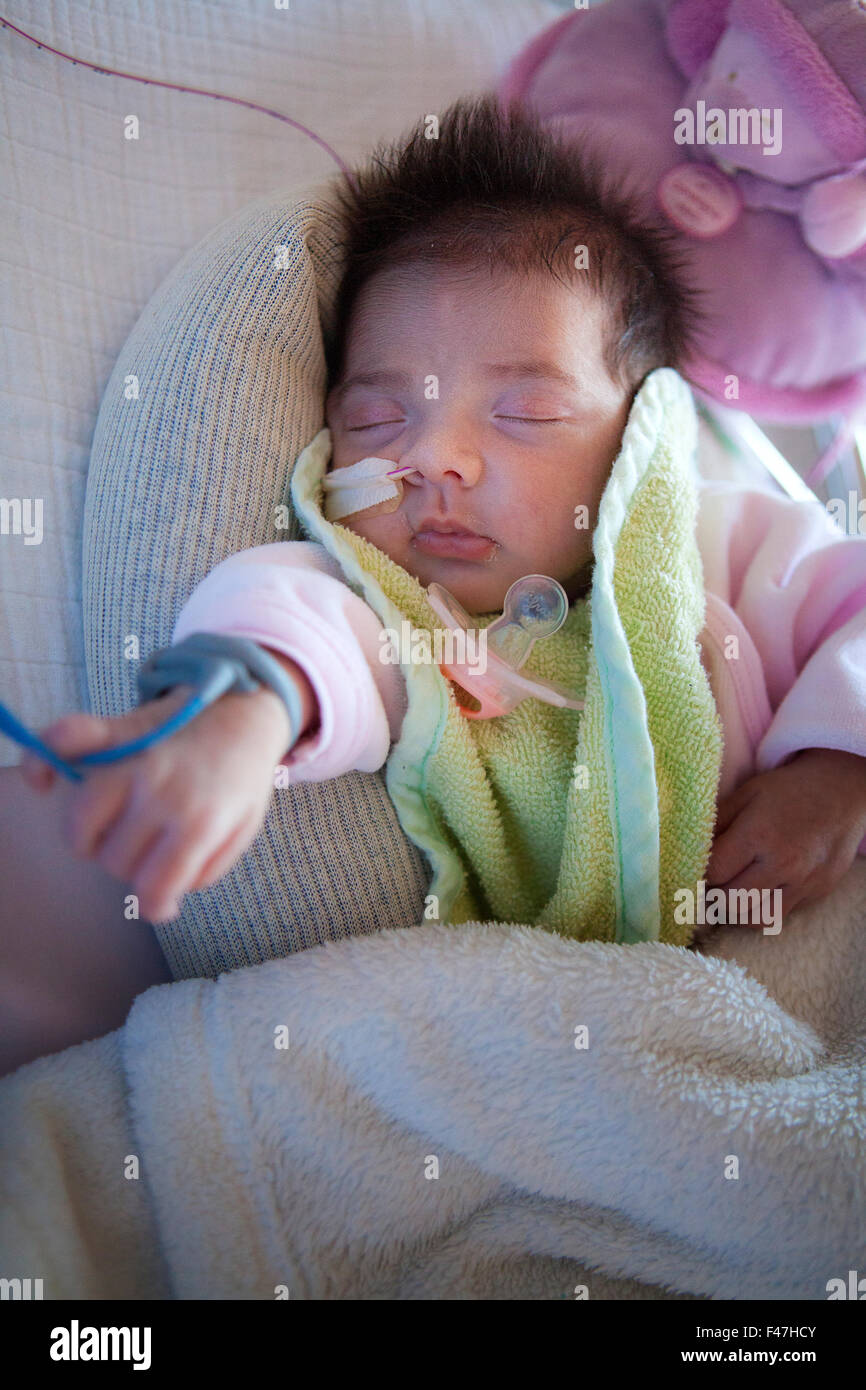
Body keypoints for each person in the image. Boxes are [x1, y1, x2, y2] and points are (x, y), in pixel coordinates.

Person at [20, 96, 866, 934]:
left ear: (636, 436)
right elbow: (300, 624)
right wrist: (237, 726)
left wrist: (838, 776)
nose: (433, 459)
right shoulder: (396, 610)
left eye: (526, 413)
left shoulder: (728, 548)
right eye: (379, 421)